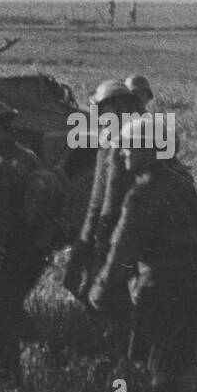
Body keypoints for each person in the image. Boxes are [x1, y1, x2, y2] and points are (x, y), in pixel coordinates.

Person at [89, 118, 197, 392]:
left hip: (158, 285)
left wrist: (100, 289)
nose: (122, 153)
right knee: (180, 354)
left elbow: (123, 252)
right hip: (188, 278)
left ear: (145, 149)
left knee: (157, 360)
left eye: (127, 147)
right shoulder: (181, 183)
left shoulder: (141, 194)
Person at [0, 99, 50, 382]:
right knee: (10, 308)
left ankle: (4, 383)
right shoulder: (29, 156)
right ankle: (52, 350)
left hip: (6, 255)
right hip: (32, 251)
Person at [63, 80, 141, 302]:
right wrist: (85, 241)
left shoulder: (134, 145)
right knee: (83, 286)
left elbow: (114, 200)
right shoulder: (105, 145)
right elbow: (98, 201)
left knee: (109, 292)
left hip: (128, 232)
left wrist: (101, 241)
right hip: (107, 228)